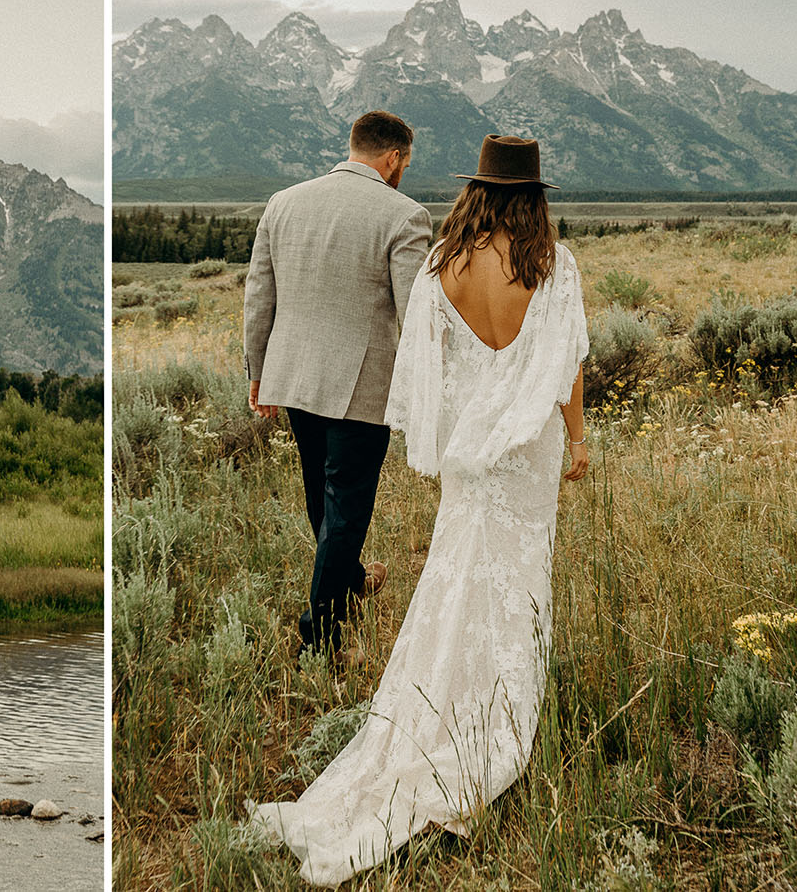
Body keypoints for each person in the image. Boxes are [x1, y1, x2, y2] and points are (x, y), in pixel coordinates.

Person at [249, 134, 590, 883]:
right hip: (524, 453)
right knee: (518, 577)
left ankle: (435, 707)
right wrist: (578, 438)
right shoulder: (554, 266)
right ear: (534, 198)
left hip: (468, 454)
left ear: (476, 191)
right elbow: (565, 364)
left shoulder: (443, 266)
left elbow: (422, 362)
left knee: (455, 575)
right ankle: (496, 719)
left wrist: (454, 426)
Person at [243, 110, 433, 657]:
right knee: (345, 508)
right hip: (361, 386)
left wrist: (258, 371)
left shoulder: (283, 202)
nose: (402, 171)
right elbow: (414, 313)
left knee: (322, 499)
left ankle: (351, 581)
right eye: (405, 163)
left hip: (294, 377)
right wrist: (427, 386)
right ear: (393, 158)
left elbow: (259, 294)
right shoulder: (405, 215)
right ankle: (320, 643)